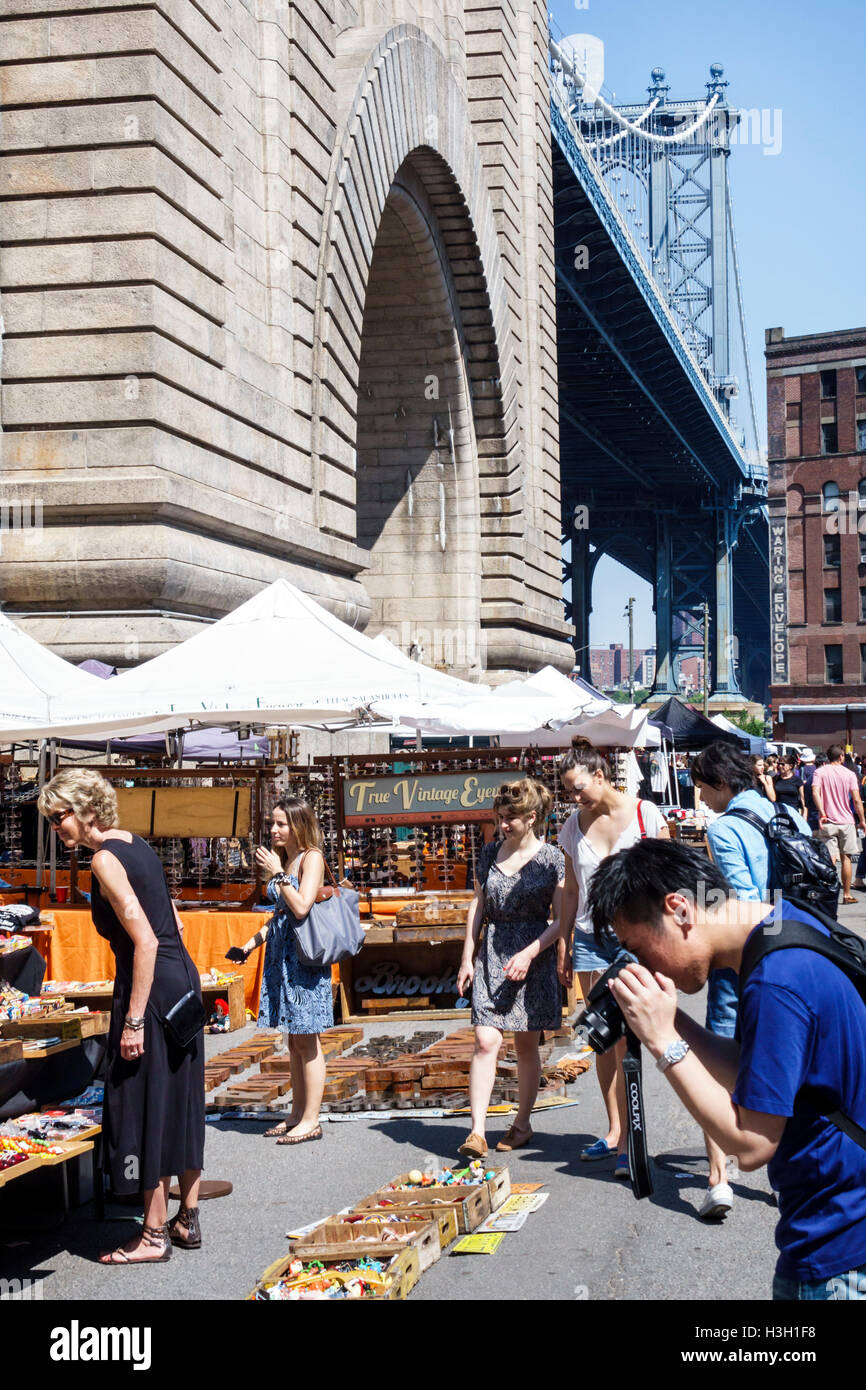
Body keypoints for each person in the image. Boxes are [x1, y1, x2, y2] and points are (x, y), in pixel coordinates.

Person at [588, 838, 866, 1300]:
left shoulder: (776, 980)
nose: (642, 964)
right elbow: (753, 1071)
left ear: (679, 909)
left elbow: (753, 1144)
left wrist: (664, 1044)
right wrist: (664, 1017)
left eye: (637, 946)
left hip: (836, 1251)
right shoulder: (784, 923)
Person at [38, 769, 204, 1264]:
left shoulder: (104, 859)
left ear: (86, 809)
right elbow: (172, 922)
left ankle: (152, 1236)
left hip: (149, 985)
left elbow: (146, 941)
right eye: (49, 820)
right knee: (179, 1099)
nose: (55, 828)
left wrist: (133, 1021)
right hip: (179, 977)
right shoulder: (135, 843)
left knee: (146, 1102)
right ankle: (186, 1219)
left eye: (58, 816)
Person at [689, 741, 811, 1222]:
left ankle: (719, 1179)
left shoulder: (725, 827)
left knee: (716, 1053)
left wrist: (701, 897)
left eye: (702, 788)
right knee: (789, 1056)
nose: (701, 798)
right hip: (796, 945)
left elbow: (742, 897)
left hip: (746, 950)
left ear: (721, 784)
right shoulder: (785, 814)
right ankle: (786, 1170)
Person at [557, 746, 668, 1178]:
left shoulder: (645, 815)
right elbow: (570, 889)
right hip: (589, 938)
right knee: (602, 1038)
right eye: (569, 792)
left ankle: (631, 1139)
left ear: (602, 775)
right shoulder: (572, 824)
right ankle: (616, 1129)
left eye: (579, 789)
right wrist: (563, 940)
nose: (575, 798)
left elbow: (667, 878)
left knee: (627, 1039)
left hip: (635, 939)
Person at [456, 779, 565, 1159]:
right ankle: (477, 1131)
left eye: (511, 819)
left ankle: (522, 1123)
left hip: (533, 953)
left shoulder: (553, 859)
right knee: (487, 1041)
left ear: (531, 818)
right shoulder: (488, 854)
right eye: (500, 817)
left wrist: (531, 953)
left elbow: (561, 919)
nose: (503, 825)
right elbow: (478, 905)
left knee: (525, 1046)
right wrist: (467, 955)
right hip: (493, 952)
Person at [238, 798, 332, 1144]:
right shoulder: (290, 859)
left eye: (280, 824)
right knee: (294, 1041)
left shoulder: (312, 858)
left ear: (298, 824)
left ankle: (312, 1118)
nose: (274, 830)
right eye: (272, 824)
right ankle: (296, 1113)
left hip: (305, 960)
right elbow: (280, 915)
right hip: (284, 959)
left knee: (308, 1041)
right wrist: (251, 944)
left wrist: (278, 873)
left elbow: (302, 907)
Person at [812, 745, 866, 905]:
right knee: (846, 859)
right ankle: (846, 894)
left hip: (827, 820)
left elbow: (815, 792)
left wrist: (822, 812)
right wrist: (862, 820)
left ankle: (826, 893)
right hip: (846, 821)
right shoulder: (849, 774)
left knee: (829, 859)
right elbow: (856, 800)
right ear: (842, 756)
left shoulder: (820, 772)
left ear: (828, 757)